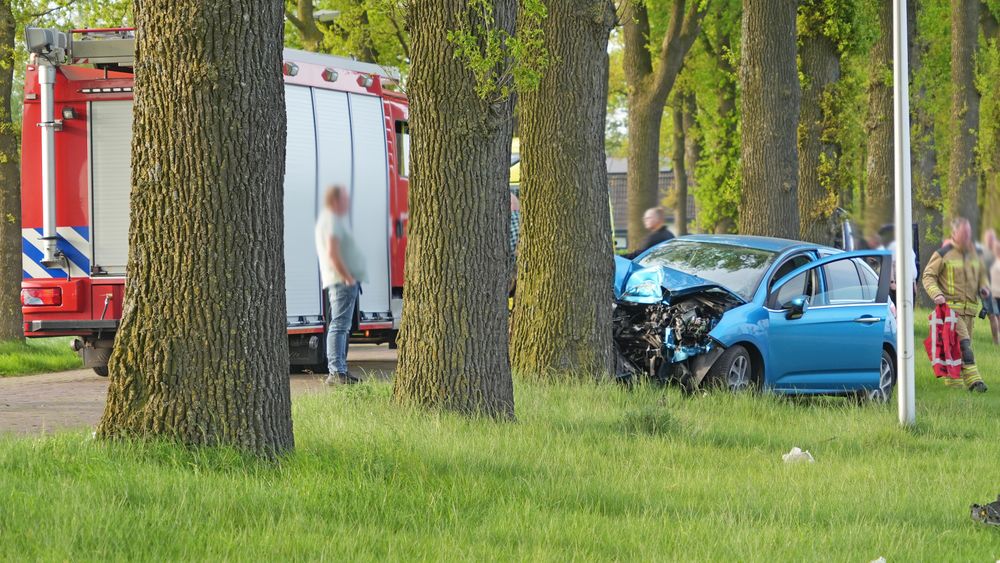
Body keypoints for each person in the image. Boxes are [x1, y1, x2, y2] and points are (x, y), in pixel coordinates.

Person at [921, 217, 989, 392]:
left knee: (957, 349)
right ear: (954, 233)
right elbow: (928, 276)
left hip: (970, 311)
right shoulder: (943, 253)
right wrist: (937, 294)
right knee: (965, 345)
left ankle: (954, 383)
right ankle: (976, 382)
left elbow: (982, 277)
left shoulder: (976, 254)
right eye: (963, 234)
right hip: (952, 311)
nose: (967, 238)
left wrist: (984, 288)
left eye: (968, 234)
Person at [315, 185, 368, 385]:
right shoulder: (332, 221)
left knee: (341, 326)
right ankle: (337, 372)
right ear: (335, 200)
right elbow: (333, 253)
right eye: (345, 198)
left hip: (337, 280)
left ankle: (340, 370)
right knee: (339, 325)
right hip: (341, 281)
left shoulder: (327, 220)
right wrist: (348, 277)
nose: (347, 202)